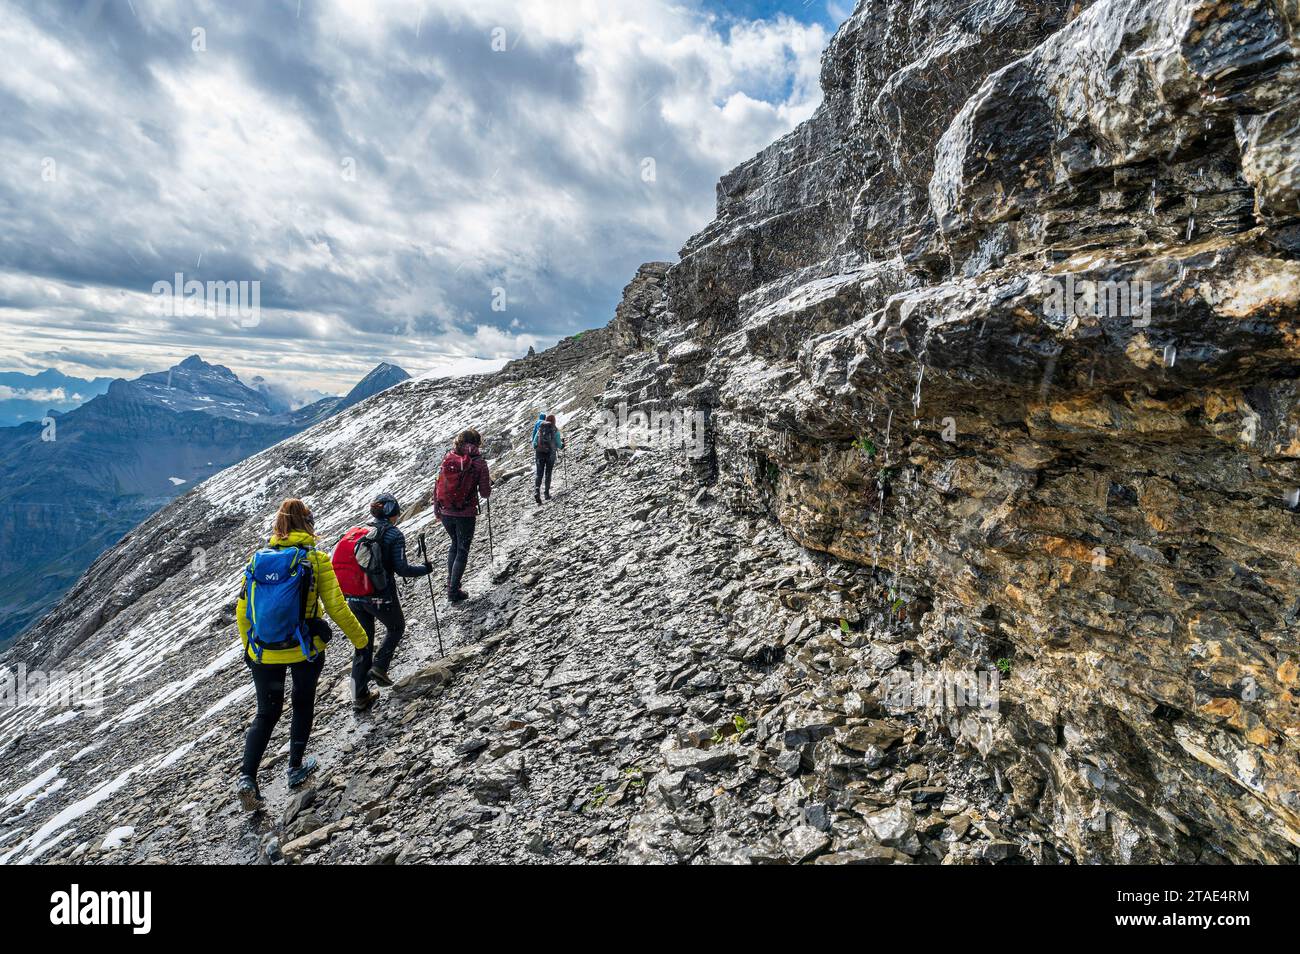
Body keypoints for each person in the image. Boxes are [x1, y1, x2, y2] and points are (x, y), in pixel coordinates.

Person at [235, 498, 369, 810]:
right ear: (308, 524)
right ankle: (295, 768)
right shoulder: (316, 559)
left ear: (278, 527)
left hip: (264, 652)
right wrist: (361, 641)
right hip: (304, 648)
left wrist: (249, 648)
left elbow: (243, 612)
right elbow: (336, 608)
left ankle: (247, 777)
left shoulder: (258, 561)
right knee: (302, 703)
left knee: (266, 713)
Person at [347, 494, 433, 710]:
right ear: (394, 511)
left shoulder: (363, 531)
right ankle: (380, 666)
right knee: (396, 627)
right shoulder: (394, 534)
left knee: (363, 642)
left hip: (356, 596)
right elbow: (402, 569)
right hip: (380, 594)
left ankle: (359, 697)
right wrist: (426, 569)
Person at [433, 428, 491, 603]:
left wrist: (437, 508)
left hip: (445, 511)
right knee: (462, 549)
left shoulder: (449, 457)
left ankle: (452, 584)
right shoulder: (479, 462)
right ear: (476, 443)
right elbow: (485, 493)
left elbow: (437, 484)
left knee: (454, 545)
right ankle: (453, 590)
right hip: (465, 513)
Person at [532, 413, 563, 504]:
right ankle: (546, 494)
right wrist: (563, 445)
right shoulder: (555, 430)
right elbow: (559, 445)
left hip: (539, 454)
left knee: (539, 473)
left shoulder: (540, 429)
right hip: (550, 454)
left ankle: (537, 490)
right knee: (548, 473)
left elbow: (534, 444)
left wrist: (540, 448)